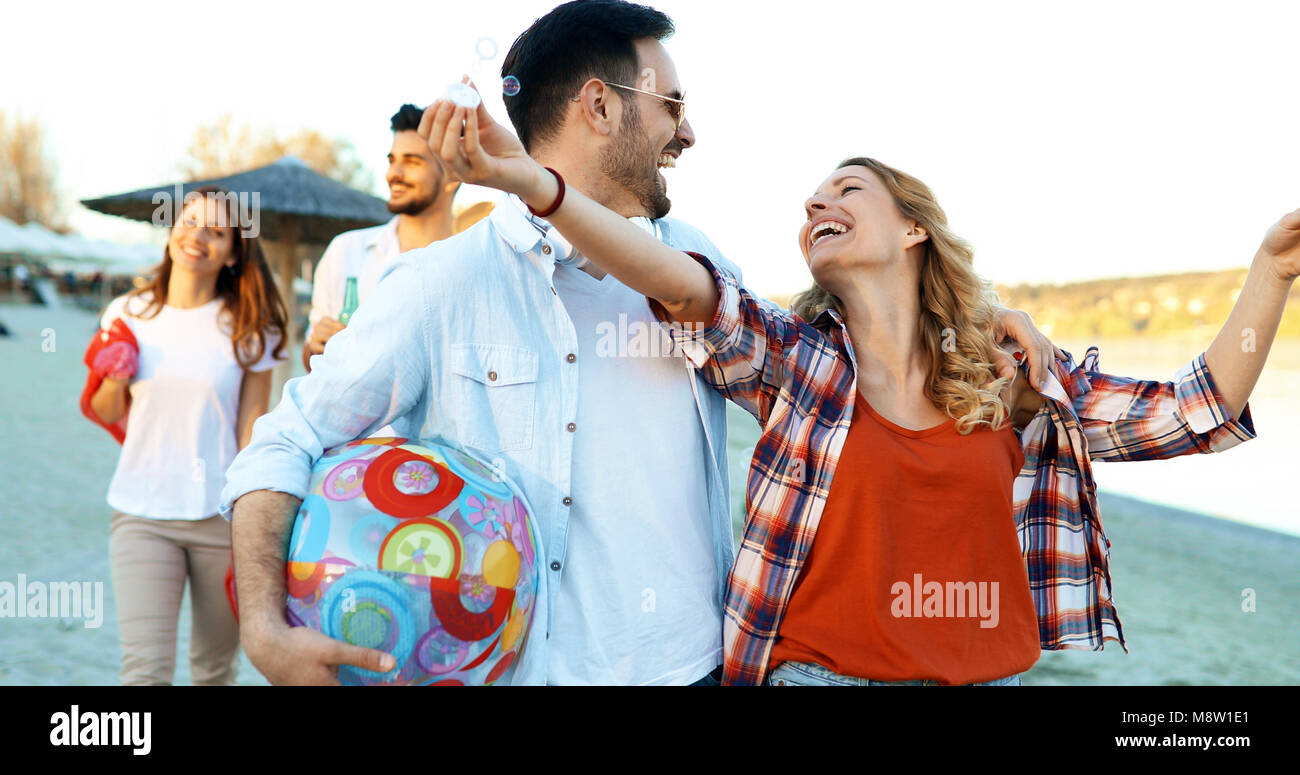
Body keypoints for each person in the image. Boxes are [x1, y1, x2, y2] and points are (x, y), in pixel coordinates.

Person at [220, 0, 1048, 686]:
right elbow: (284, 441)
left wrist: (985, 320)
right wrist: (263, 628)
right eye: (673, 107)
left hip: (700, 669)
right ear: (602, 105)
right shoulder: (442, 286)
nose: (689, 135)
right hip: (523, 671)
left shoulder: (697, 260)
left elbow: (846, 354)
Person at [426, 88, 1298, 685]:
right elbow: (678, 281)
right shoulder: (799, 365)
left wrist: (1271, 267)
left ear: (912, 226)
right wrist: (537, 186)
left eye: (844, 190)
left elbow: (1195, 410)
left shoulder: (1010, 378)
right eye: (809, 205)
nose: (816, 207)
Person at [86, 186, 289, 685]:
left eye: (216, 232)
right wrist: (116, 374)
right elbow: (103, 408)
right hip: (140, 514)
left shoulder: (249, 328)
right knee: (145, 671)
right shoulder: (125, 313)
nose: (197, 236)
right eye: (190, 221)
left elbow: (253, 427)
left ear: (234, 252)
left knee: (214, 669)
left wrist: (258, 515)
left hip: (220, 520)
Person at [302, 104, 463, 372]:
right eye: (392, 160)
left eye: (412, 161)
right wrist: (316, 347)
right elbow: (312, 361)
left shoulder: (473, 265)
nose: (393, 174)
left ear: (453, 176)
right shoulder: (345, 252)